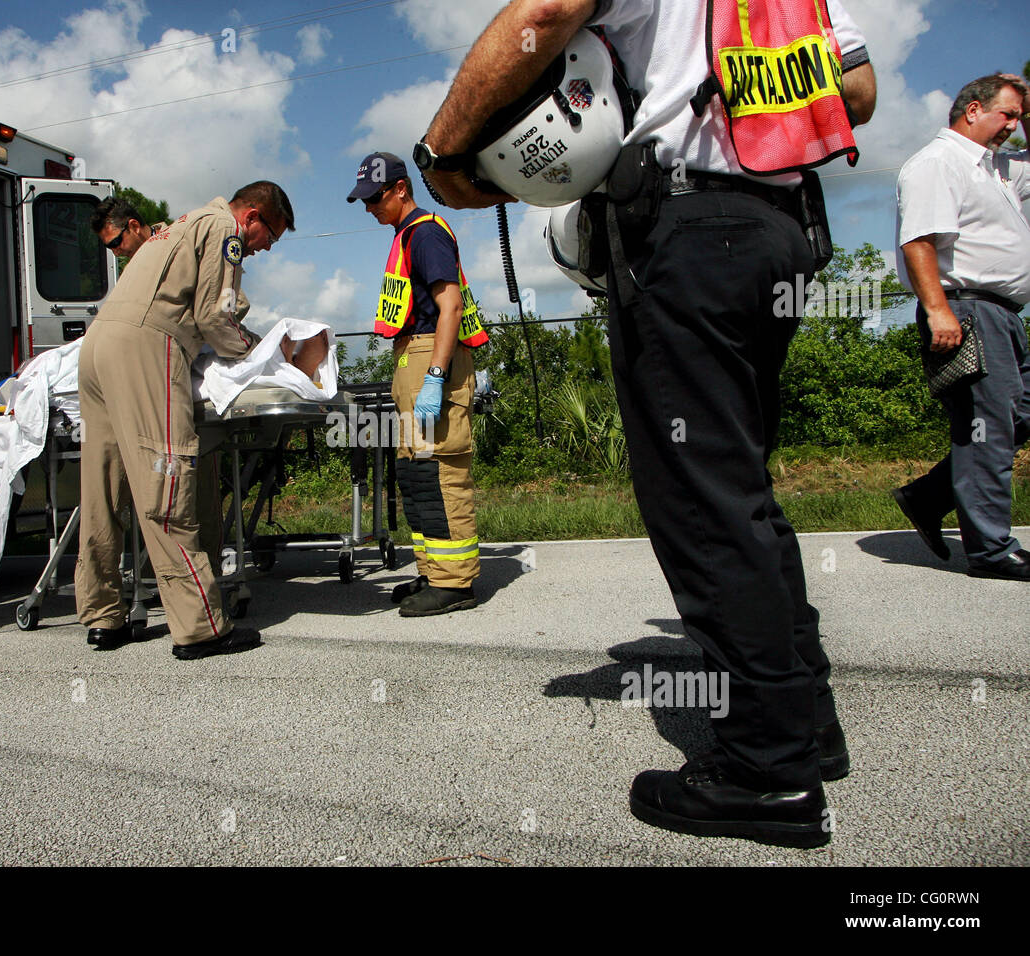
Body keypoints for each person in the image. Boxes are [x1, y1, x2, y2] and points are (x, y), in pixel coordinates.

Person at [420, 0, 876, 846]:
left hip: (689, 231)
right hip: (779, 230)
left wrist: (441, 151)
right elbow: (859, 91)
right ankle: (806, 724)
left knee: (704, 505)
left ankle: (767, 773)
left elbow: (547, 12)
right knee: (741, 493)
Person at [75, 182, 293, 659]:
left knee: (103, 487)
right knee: (167, 481)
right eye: (269, 237)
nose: (263, 249)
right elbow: (216, 317)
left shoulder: (176, 227)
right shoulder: (223, 229)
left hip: (96, 349)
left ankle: (103, 616)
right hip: (146, 348)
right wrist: (264, 355)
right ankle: (199, 628)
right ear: (252, 217)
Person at [891, 74, 1030, 581]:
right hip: (967, 310)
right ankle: (992, 551)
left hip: (1006, 315)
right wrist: (938, 310)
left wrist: (1027, 105)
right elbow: (919, 242)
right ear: (972, 110)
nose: (1013, 127)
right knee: (988, 429)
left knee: (1012, 420)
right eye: (1007, 115)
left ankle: (928, 496)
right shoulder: (939, 162)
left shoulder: (996, 169)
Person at [347, 151, 484, 616]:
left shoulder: (426, 233)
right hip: (411, 354)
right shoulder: (408, 235)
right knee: (416, 472)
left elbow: (451, 308)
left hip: (431, 355)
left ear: (401, 189)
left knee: (442, 470)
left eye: (374, 198)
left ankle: (455, 583)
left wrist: (436, 377)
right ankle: (432, 571)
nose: (370, 209)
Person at [90, 197, 159, 260]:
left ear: (134, 226)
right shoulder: (134, 268)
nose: (116, 254)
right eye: (109, 247)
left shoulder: (168, 249)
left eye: (115, 243)